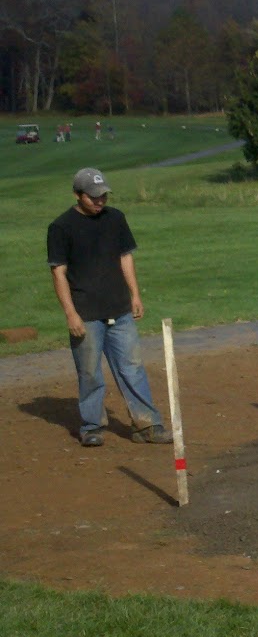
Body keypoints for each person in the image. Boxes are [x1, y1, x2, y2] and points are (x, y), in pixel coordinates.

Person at [47, 168, 169, 447]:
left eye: (103, 195)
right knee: (89, 372)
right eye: (93, 197)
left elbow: (125, 257)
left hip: (120, 308)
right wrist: (70, 313)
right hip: (86, 313)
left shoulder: (116, 219)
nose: (100, 200)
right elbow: (59, 272)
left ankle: (147, 425)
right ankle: (91, 426)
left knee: (132, 367)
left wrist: (135, 295)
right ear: (78, 195)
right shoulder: (61, 227)